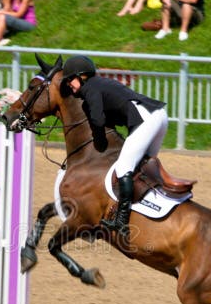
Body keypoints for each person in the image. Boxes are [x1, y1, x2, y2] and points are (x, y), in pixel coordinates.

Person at [61, 55, 168, 241]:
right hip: (158, 115)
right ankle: (153, 206)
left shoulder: (90, 89)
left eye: (70, 79)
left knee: (124, 166)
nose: (69, 84)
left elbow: (98, 119)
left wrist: (98, 136)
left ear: (81, 76)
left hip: (146, 118)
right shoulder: (100, 83)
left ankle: (122, 222)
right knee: (143, 166)